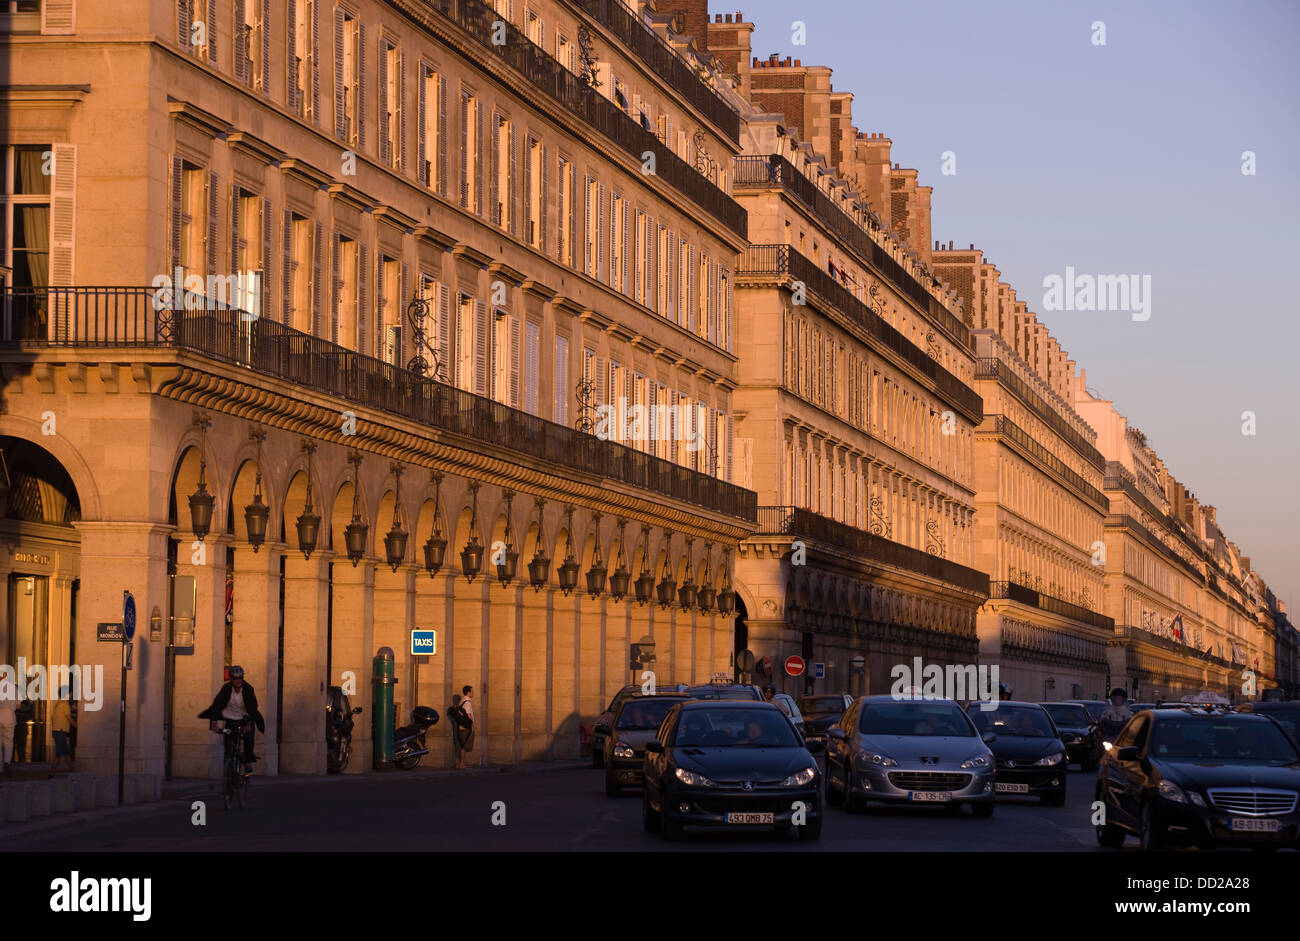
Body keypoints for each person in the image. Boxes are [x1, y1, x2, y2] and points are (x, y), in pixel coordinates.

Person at [197, 665, 265, 763]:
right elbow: (217, 705)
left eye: (240, 677)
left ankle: (248, 761)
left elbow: (253, 707)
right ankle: (229, 770)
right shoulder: (226, 689)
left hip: (244, 719)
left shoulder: (248, 689)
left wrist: (249, 723)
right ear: (231, 679)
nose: (238, 680)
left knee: (249, 738)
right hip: (231, 720)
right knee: (228, 746)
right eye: (235, 678)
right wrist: (214, 722)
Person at [49, 686, 76, 776]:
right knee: (60, 755)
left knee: (66, 753)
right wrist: (78, 726)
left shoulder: (59, 703)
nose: (72, 695)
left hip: (57, 731)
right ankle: (52, 773)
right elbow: (69, 719)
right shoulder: (64, 705)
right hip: (60, 731)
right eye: (70, 693)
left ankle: (73, 770)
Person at [0, 687, 17, 778]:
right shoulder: (14, 689)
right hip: (9, 716)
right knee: (8, 742)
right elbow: (18, 706)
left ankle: (0, 769)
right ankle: (7, 762)